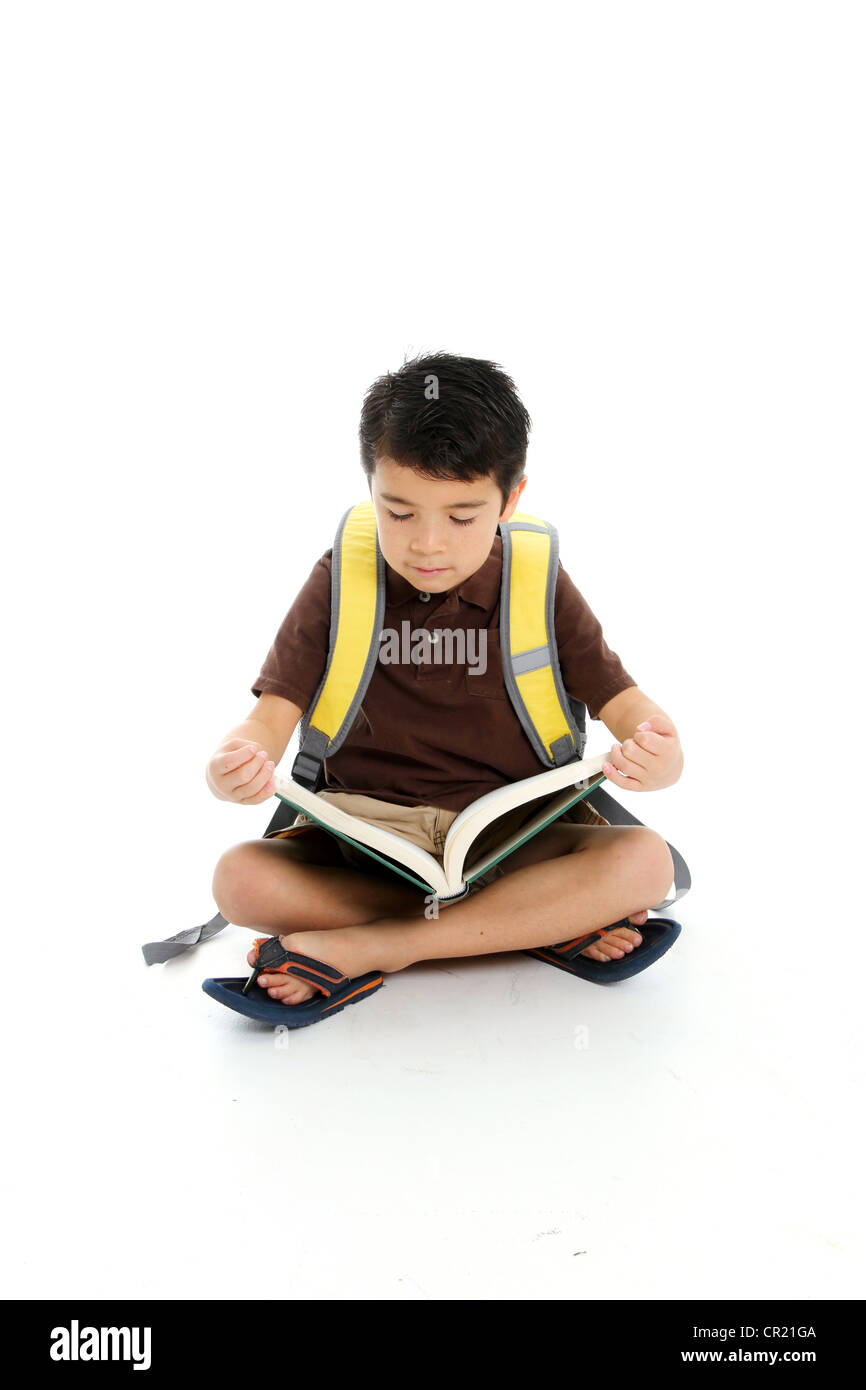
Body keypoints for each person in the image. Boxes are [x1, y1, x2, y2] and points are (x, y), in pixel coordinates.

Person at [206, 353, 683, 1008]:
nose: (428, 544)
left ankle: (381, 945)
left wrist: (661, 752)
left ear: (510, 499)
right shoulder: (342, 577)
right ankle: (524, 923)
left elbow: (626, 705)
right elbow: (269, 720)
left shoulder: (534, 581)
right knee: (239, 881)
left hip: (513, 836)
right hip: (367, 846)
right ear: (370, 487)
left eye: (461, 517)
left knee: (645, 862)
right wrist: (235, 764)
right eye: (399, 513)